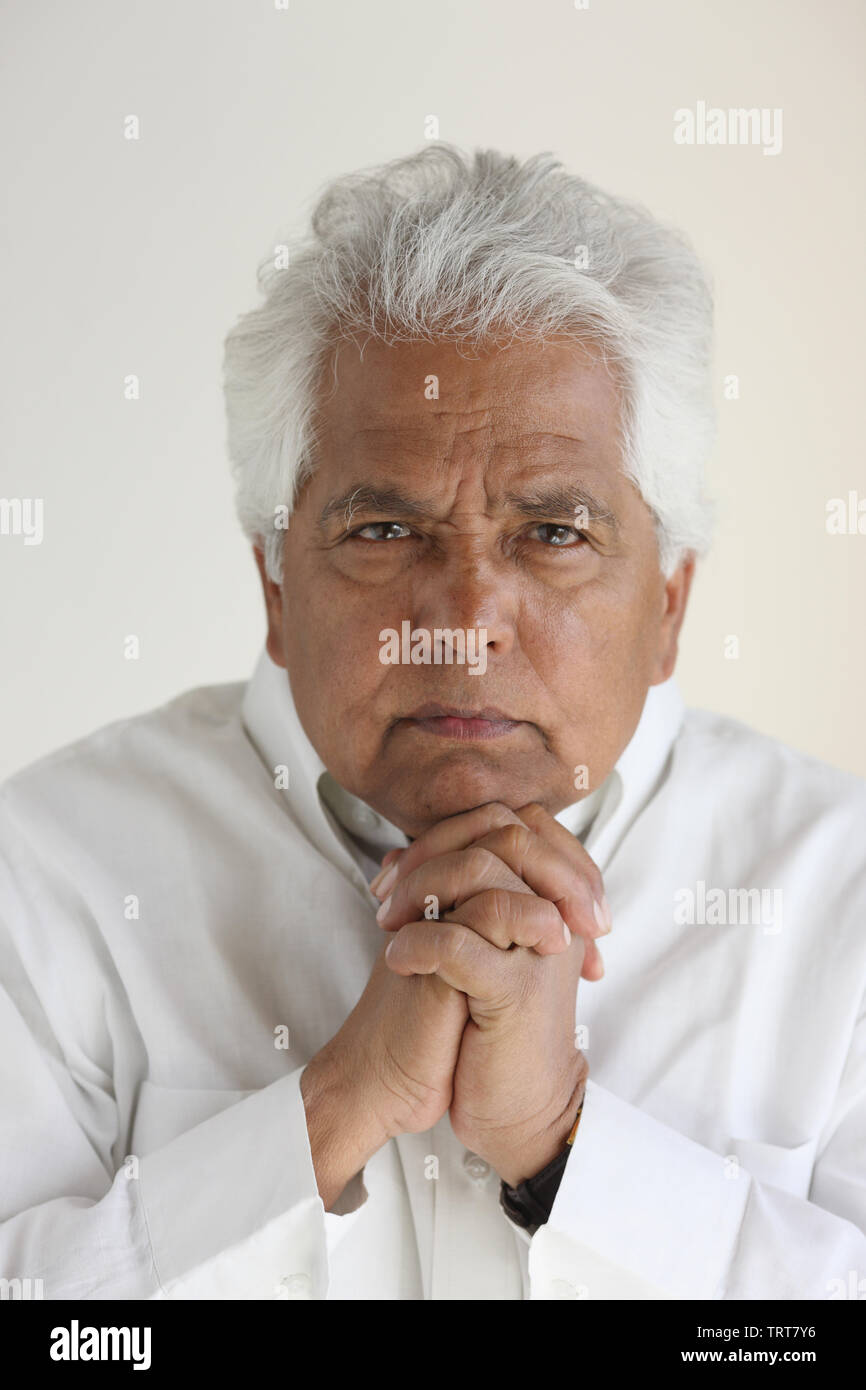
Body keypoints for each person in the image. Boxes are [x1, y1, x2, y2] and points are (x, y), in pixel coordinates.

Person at [1, 145, 864, 1301]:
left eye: (553, 531)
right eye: (384, 532)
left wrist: (568, 1145)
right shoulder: (45, 876)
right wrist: (324, 1114)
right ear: (272, 587)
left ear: (667, 603)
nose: (461, 626)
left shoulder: (840, 896)